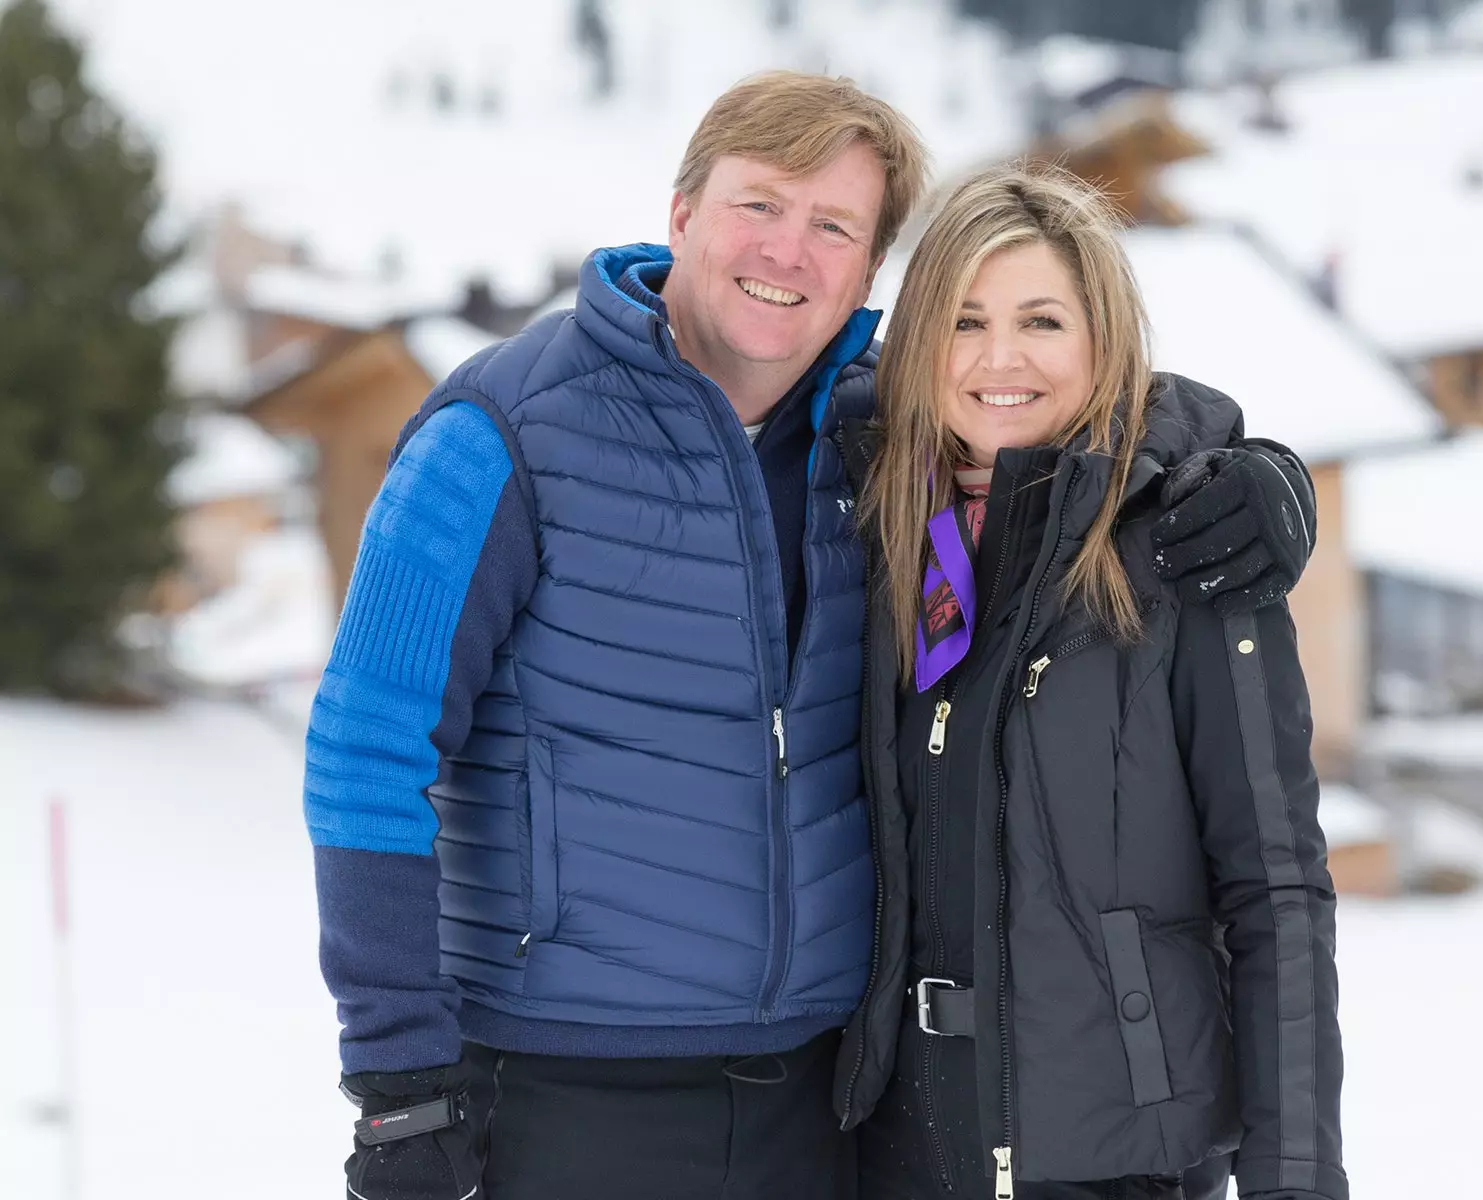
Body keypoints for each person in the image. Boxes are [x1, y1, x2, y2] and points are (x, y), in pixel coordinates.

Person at [303, 73, 1319, 1200]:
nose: (789, 252)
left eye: (832, 225)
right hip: (569, 1084)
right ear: (681, 213)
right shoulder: (503, 434)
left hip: (821, 1102)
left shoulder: (874, 436)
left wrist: (1254, 472)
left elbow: (1059, 388)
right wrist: (398, 1078)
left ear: (868, 270)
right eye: (759, 205)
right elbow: (365, 748)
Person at [834, 163, 1345, 1200]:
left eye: (1041, 322)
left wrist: (1295, 1176)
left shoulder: (1189, 547)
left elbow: (1275, 887)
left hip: (1114, 1160)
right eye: (964, 321)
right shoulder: (887, 532)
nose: (999, 359)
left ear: (1103, 339)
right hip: (893, 1151)